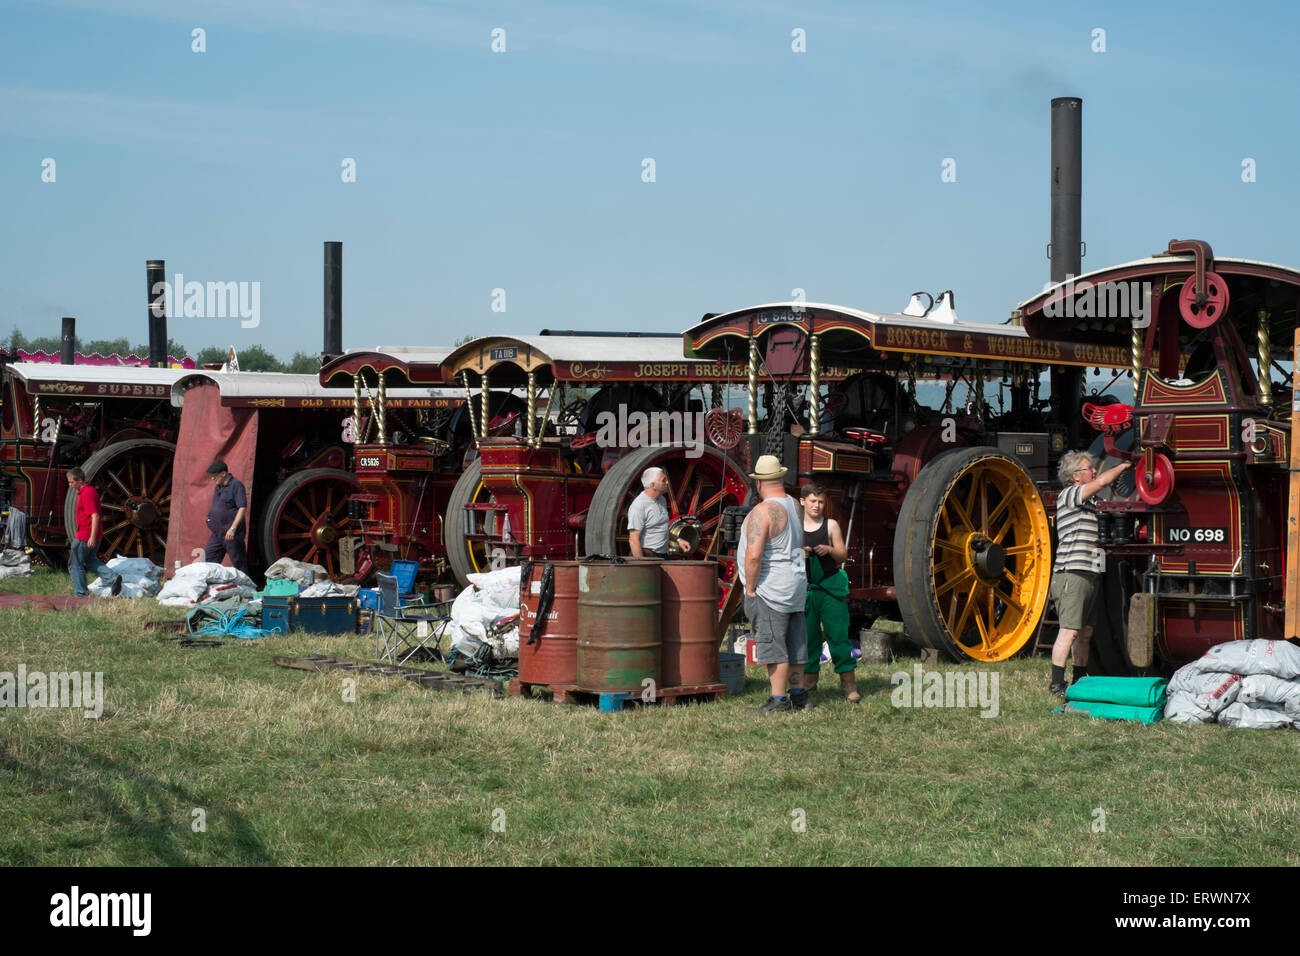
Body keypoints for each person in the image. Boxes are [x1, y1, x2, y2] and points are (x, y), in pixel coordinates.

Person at [1049, 451, 1131, 696]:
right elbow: (1103, 482)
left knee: (1085, 632)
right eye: (1089, 469)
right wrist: (1126, 465)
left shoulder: (1092, 504)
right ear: (1076, 476)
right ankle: (1056, 684)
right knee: (1070, 630)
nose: (1094, 471)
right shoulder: (1069, 495)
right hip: (1072, 572)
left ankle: (1079, 679)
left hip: (1090, 572)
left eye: (1094, 469)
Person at [738, 455, 809, 713]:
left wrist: (750, 588)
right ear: (780, 478)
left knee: (774, 644)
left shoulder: (762, 511)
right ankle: (800, 696)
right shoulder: (794, 504)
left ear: (759, 484)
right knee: (796, 643)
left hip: (772, 587)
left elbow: (754, 554)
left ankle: (779, 700)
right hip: (796, 583)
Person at [799, 482, 858, 702]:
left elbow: (842, 555)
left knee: (839, 636)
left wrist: (830, 549)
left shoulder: (831, 525)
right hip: (806, 590)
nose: (817, 506)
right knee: (808, 638)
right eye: (813, 501)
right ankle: (809, 685)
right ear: (803, 502)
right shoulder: (796, 526)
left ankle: (849, 686)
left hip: (831, 589)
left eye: (821, 501)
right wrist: (800, 553)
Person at [65, 467, 122, 597]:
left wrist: (91, 537)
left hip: (85, 535)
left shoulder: (86, 493)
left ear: (79, 480)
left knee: (75, 564)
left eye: (71, 482)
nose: (70, 485)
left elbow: (95, 515)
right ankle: (112, 578)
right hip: (91, 534)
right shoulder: (89, 491)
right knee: (90, 560)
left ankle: (81, 593)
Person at [627, 467, 691, 558]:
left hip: (662, 555)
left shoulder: (662, 499)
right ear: (653, 485)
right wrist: (642, 565)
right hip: (647, 555)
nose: (667, 482)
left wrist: (678, 540)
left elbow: (661, 528)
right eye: (663, 480)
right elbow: (633, 540)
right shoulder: (639, 505)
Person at [205, 460, 249, 574]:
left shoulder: (236, 485)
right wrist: (210, 519)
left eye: (214, 476)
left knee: (238, 560)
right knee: (210, 558)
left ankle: (246, 587)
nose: (212, 479)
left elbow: (242, 507)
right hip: (217, 532)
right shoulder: (218, 487)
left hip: (231, 532)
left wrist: (233, 528)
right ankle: (212, 586)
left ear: (223, 473)